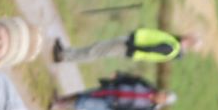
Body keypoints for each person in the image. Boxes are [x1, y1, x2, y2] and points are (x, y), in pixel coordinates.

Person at [51, 73, 174, 110]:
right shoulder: (148, 86)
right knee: (84, 95)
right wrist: (119, 76)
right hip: (111, 90)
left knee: (86, 103)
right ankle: (60, 99)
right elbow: (133, 79)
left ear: (162, 103)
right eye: (164, 94)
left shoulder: (148, 109)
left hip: (111, 107)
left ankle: (58, 106)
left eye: (164, 99)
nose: (161, 96)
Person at [53, 26, 197, 65]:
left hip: (130, 46)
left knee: (95, 51)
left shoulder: (172, 47)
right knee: (96, 47)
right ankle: (66, 52)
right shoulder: (174, 43)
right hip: (131, 42)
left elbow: (150, 49)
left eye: (190, 37)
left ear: (189, 42)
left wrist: (132, 45)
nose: (187, 33)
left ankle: (63, 56)